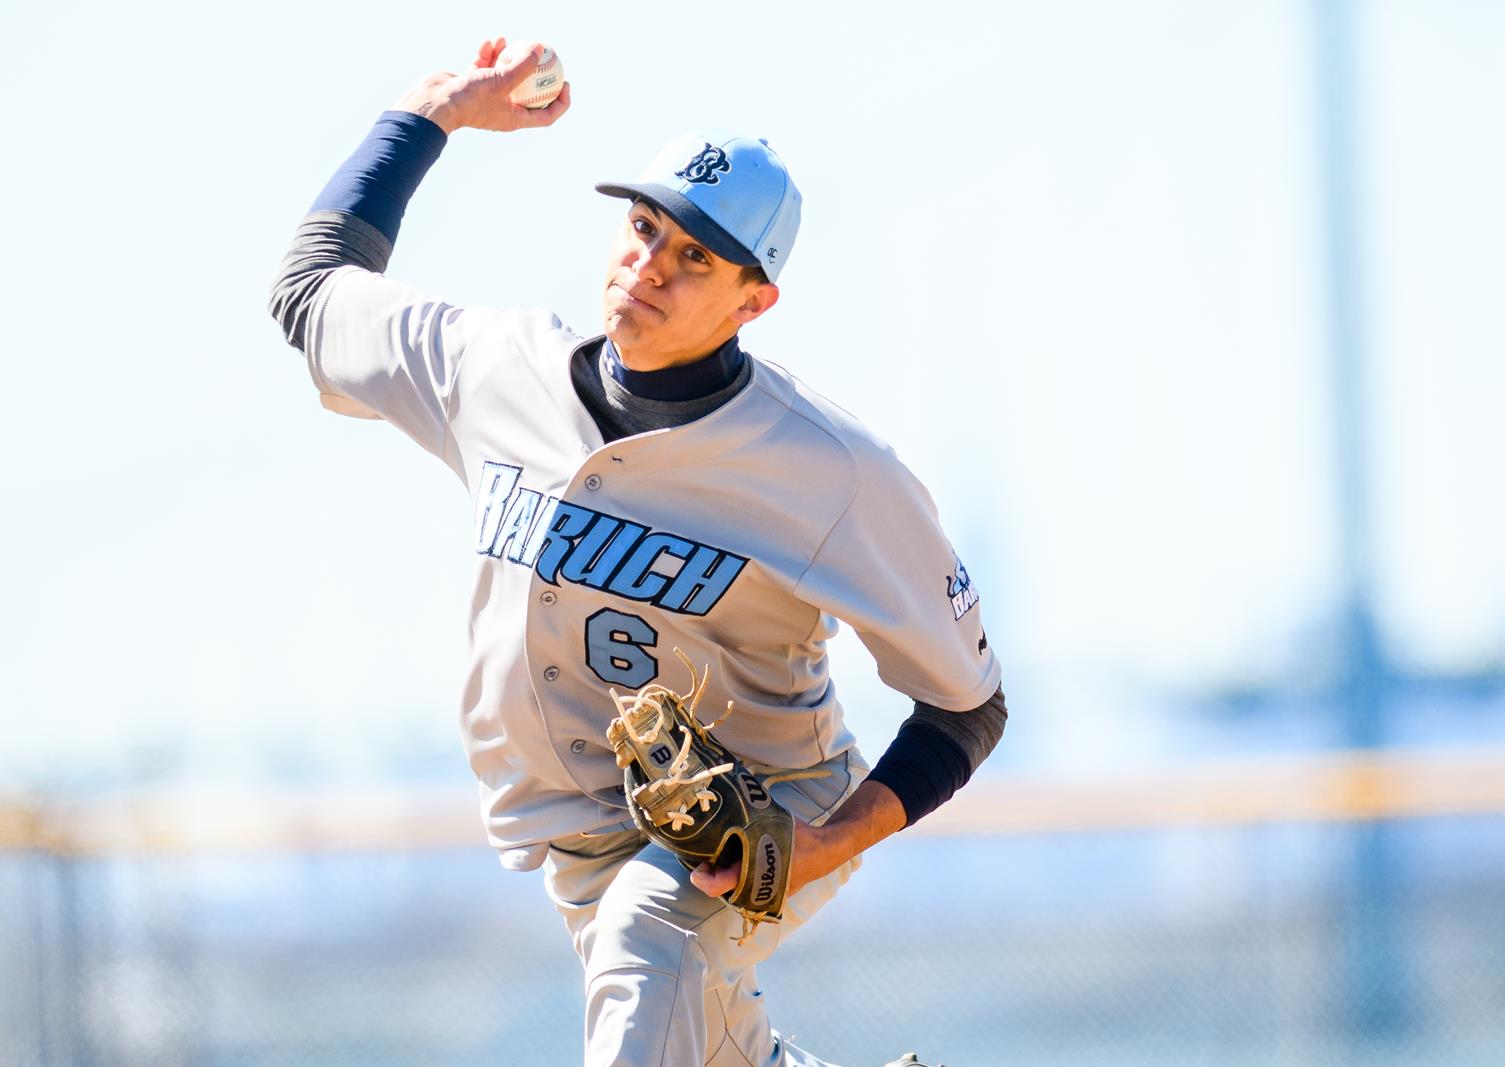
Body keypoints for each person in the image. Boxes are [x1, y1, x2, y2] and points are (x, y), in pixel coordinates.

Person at [268, 37, 1006, 1067]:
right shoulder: (496, 368)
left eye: (695, 256)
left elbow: (967, 705)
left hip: (762, 816)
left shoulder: (829, 470)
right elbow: (311, 290)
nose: (649, 264)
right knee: (694, 1026)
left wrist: (829, 842)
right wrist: (433, 110)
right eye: (645, 226)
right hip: (575, 832)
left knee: (649, 940)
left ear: (754, 300)